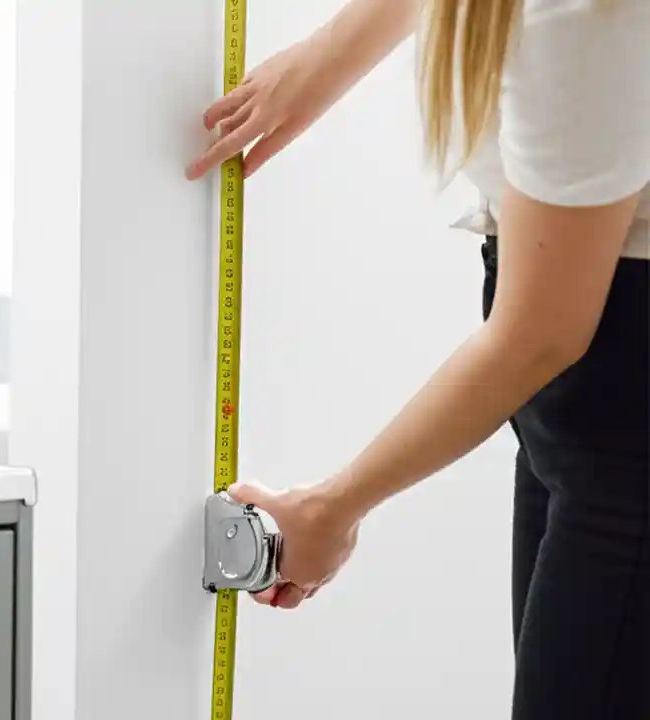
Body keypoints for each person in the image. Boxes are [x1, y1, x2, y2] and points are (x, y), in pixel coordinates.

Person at [184, 0, 649, 717]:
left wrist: (330, 509)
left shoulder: (585, 19)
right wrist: (325, 58)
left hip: (619, 405)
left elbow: (541, 334)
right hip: (573, 404)